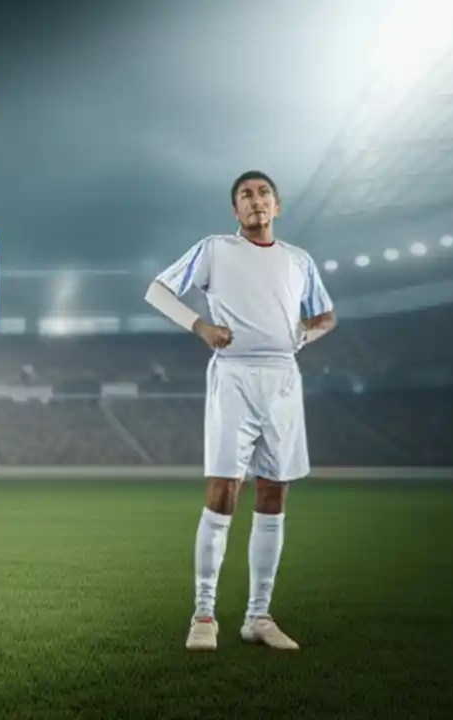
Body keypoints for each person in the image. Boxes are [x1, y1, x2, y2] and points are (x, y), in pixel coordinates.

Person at [143, 170, 337, 652]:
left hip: (283, 379)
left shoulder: (298, 261)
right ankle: (204, 614)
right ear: (235, 211)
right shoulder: (216, 249)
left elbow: (327, 315)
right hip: (233, 374)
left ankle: (258, 616)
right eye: (245, 195)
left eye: (263, 193)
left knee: (273, 495)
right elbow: (157, 290)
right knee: (224, 490)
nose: (256, 201)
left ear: (278, 205)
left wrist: (303, 335)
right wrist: (200, 326)